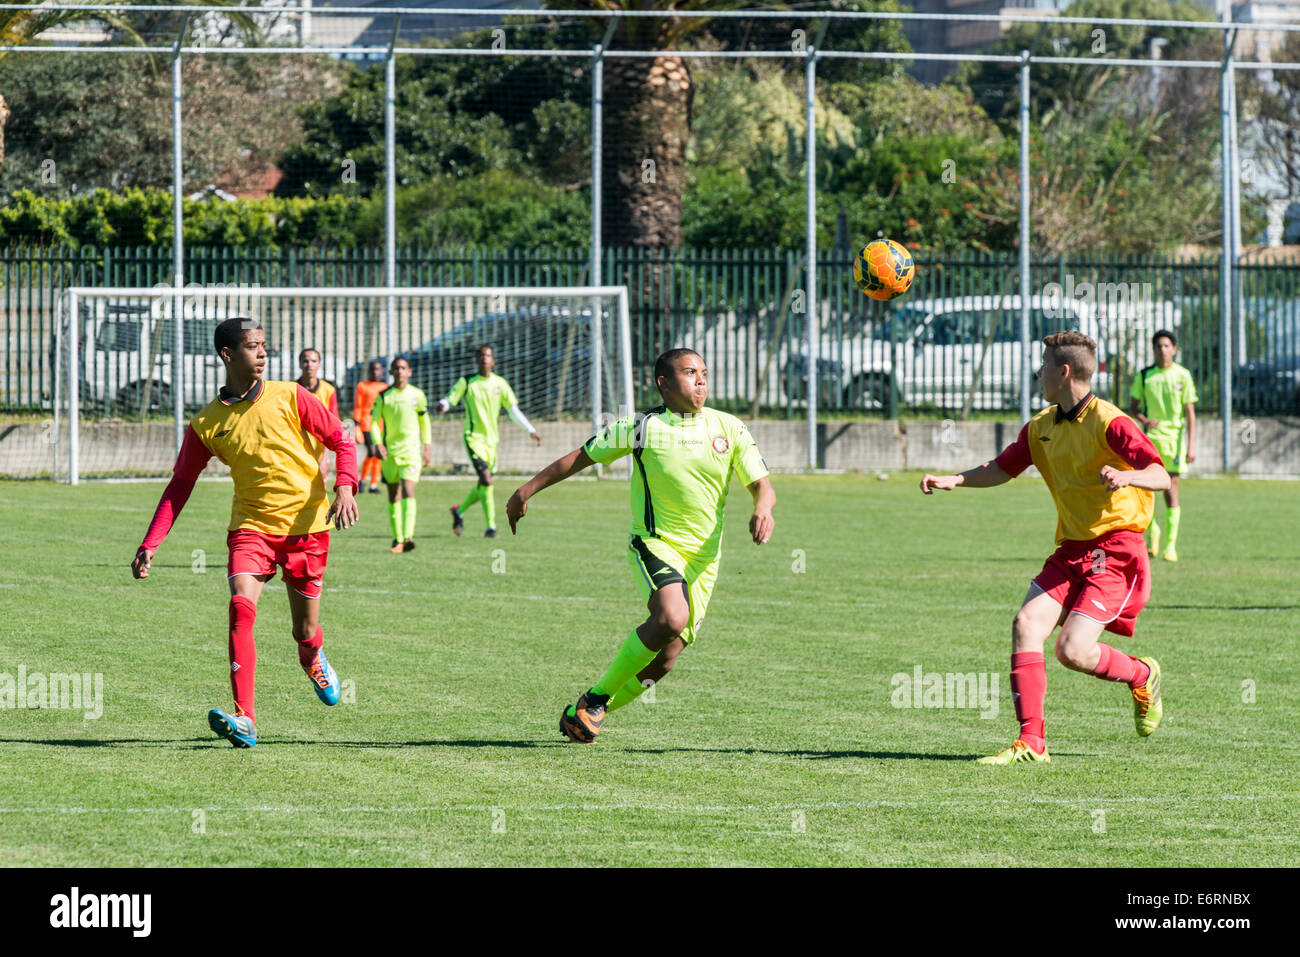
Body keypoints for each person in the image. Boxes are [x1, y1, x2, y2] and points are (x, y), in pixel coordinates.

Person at [920, 331, 1169, 765]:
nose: (1038, 373)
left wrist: (1129, 476)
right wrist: (955, 479)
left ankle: (1142, 674)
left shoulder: (1111, 422)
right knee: (1026, 624)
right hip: (1073, 549)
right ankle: (1031, 742)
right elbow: (1001, 468)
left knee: (1072, 651)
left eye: (1043, 365)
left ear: (1063, 372)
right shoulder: (1041, 426)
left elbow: (1160, 475)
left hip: (1116, 551)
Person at [506, 348, 775, 744]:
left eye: (703, 371)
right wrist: (525, 490)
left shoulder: (729, 427)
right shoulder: (641, 428)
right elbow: (580, 458)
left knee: (664, 661)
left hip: (705, 559)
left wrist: (762, 508)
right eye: (689, 372)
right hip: (655, 543)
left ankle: (587, 712)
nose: (700, 379)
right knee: (670, 618)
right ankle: (595, 699)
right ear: (663, 383)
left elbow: (761, 485)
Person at [131, 318, 358, 749]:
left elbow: (342, 441)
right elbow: (180, 484)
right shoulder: (207, 424)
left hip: (307, 530)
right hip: (251, 531)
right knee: (240, 607)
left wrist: (344, 486)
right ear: (227, 355)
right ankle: (245, 718)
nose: (263, 353)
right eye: (253, 346)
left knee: (306, 632)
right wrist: (150, 543)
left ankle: (311, 657)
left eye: (264, 345)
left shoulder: (291, 396)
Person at [438, 345, 541, 539]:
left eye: (488, 356)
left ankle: (458, 511)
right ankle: (490, 527)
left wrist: (530, 429)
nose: (484, 359)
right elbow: (450, 399)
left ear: (493, 361)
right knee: (487, 479)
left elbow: (513, 410)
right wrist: (443, 405)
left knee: (484, 484)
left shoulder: (500, 384)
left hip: (492, 442)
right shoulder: (467, 382)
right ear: (477, 360)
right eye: (481, 356)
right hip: (473, 438)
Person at [1129, 330, 1198, 562]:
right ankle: (1153, 531)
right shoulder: (1145, 375)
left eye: (1167, 345)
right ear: (1153, 349)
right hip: (1151, 438)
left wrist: (1191, 445)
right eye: (1158, 346)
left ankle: (1170, 546)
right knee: (1145, 490)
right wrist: (1145, 420)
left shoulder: (1183, 375)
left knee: (1171, 489)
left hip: (1174, 441)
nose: (1163, 349)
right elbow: (1133, 406)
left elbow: (1190, 413)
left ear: (1174, 349)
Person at [371, 356, 431, 553]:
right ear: (391, 372)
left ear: (409, 372)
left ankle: (407, 537)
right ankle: (397, 538)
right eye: (396, 368)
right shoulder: (384, 396)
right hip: (390, 453)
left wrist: (427, 446)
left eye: (403, 368)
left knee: (408, 490)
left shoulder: (417, 395)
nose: (399, 372)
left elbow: (425, 422)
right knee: (393, 494)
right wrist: (378, 443)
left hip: (412, 452)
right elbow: (373, 423)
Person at [298, 348, 339, 481]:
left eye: (313, 361)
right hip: (296, 452)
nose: (309, 364)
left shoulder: (329, 390)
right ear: (299, 364)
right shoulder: (291, 389)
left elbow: (332, 428)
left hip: (320, 453)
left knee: (318, 498)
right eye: (305, 361)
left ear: (319, 364)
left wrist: (325, 458)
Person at [353, 360, 388, 494]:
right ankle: (362, 480)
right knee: (372, 452)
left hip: (381, 425)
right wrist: (356, 425)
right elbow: (358, 406)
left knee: (377, 454)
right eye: (373, 369)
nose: (375, 372)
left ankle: (373, 484)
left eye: (378, 369)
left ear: (382, 371)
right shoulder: (362, 386)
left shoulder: (384, 387)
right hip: (367, 423)